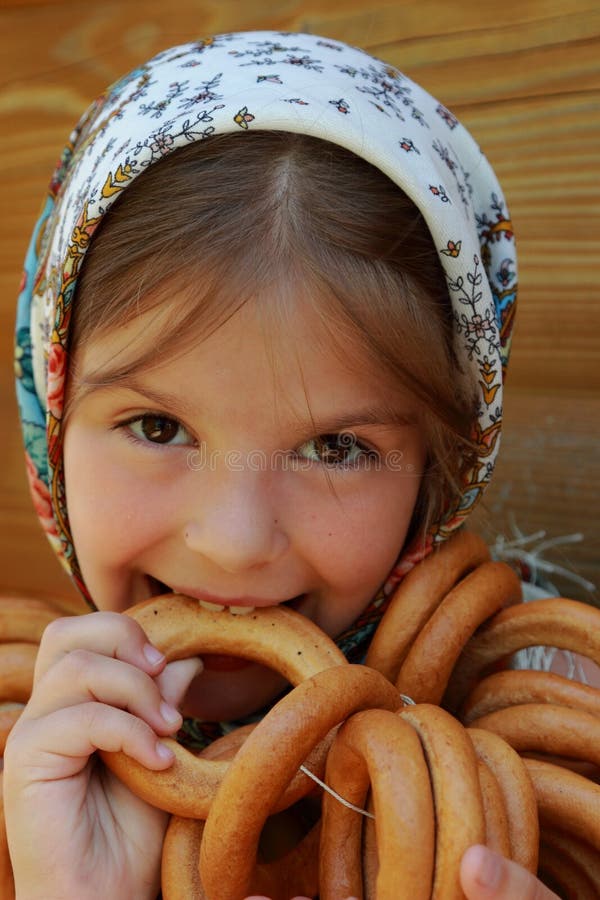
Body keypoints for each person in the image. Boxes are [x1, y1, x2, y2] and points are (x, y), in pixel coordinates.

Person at [6, 29, 561, 899]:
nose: (233, 543)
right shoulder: (26, 796)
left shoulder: (561, 730)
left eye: (336, 448)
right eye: (156, 426)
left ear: (441, 477)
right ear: (55, 417)